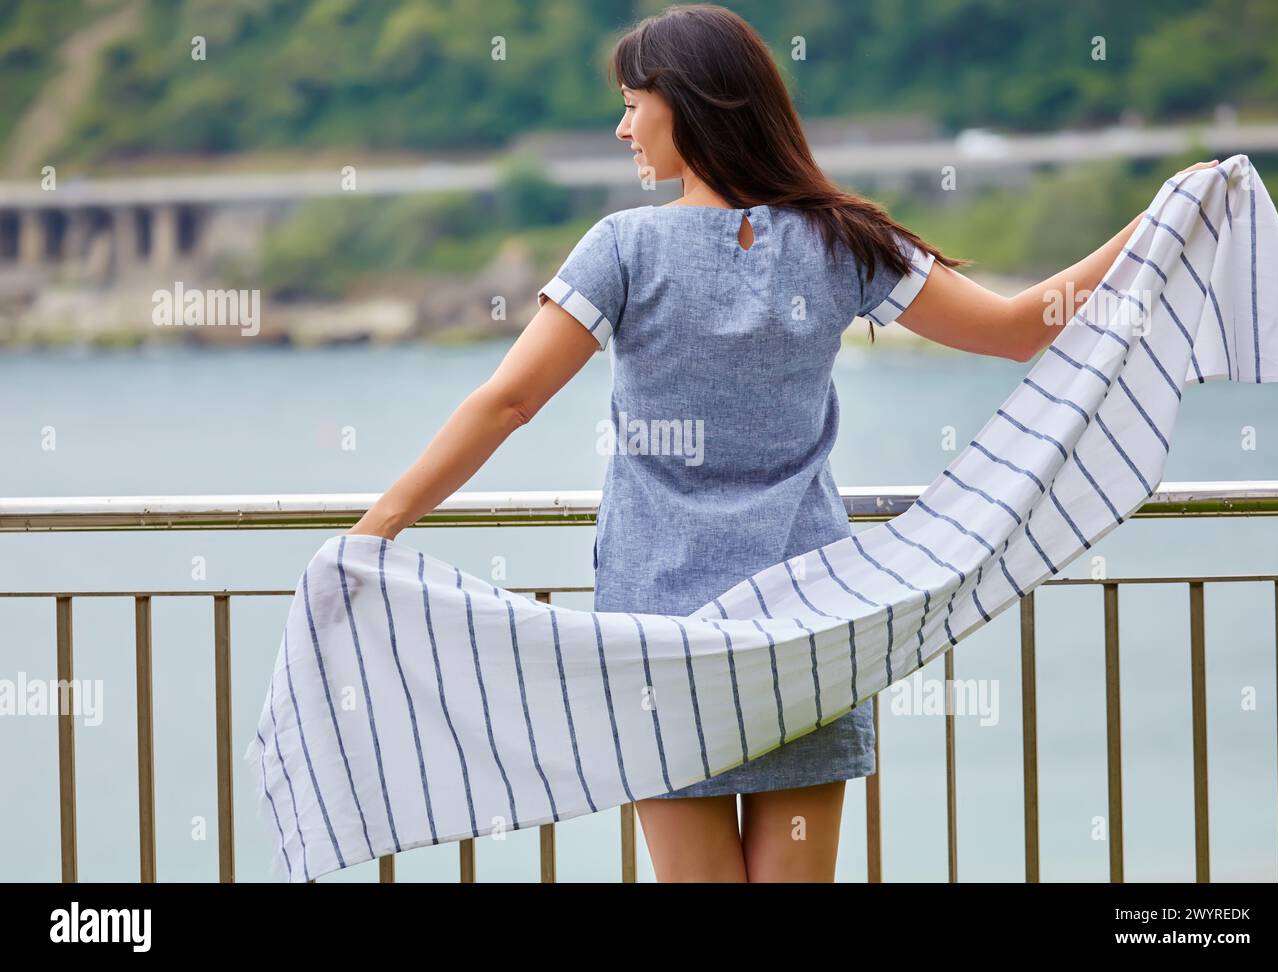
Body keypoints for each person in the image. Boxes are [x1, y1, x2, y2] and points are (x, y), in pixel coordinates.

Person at [346, 3, 1219, 882]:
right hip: (809, 624)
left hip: (659, 633)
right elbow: (1021, 328)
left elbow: (507, 402)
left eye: (631, 103)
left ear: (686, 103)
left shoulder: (622, 247)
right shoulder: (842, 239)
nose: (621, 128)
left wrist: (374, 528)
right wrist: (1164, 220)